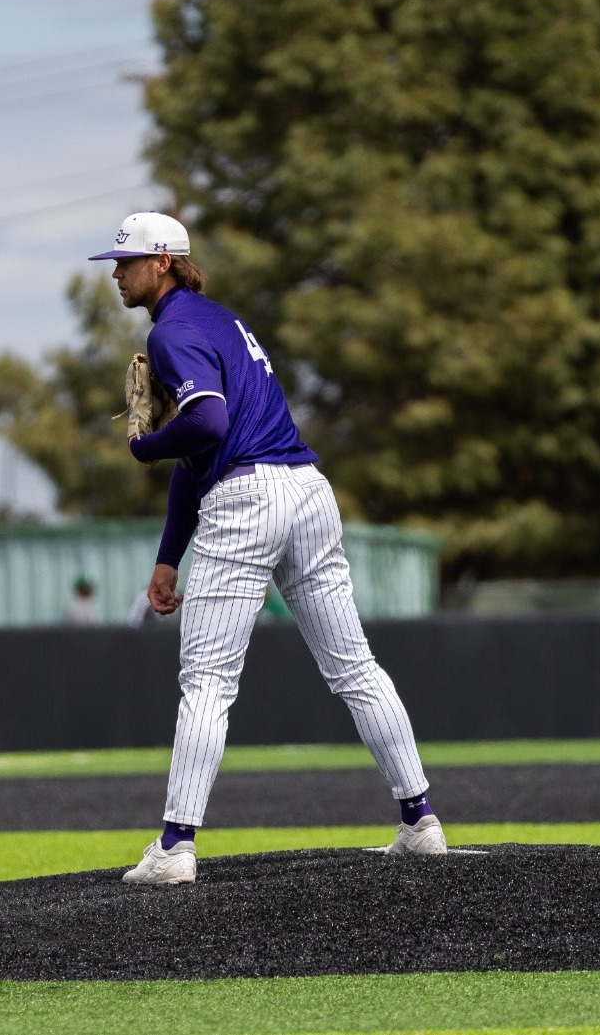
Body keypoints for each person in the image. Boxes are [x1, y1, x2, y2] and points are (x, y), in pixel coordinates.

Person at [92, 211, 444, 885]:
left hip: (247, 499)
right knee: (355, 667)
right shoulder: (223, 322)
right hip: (306, 491)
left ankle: (175, 847)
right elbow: (199, 454)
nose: (116, 273)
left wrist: (144, 446)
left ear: (162, 262)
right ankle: (420, 819)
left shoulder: (171, 332)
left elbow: (208, 422)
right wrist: (168, 557)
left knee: (206, 681)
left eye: (126, 260)